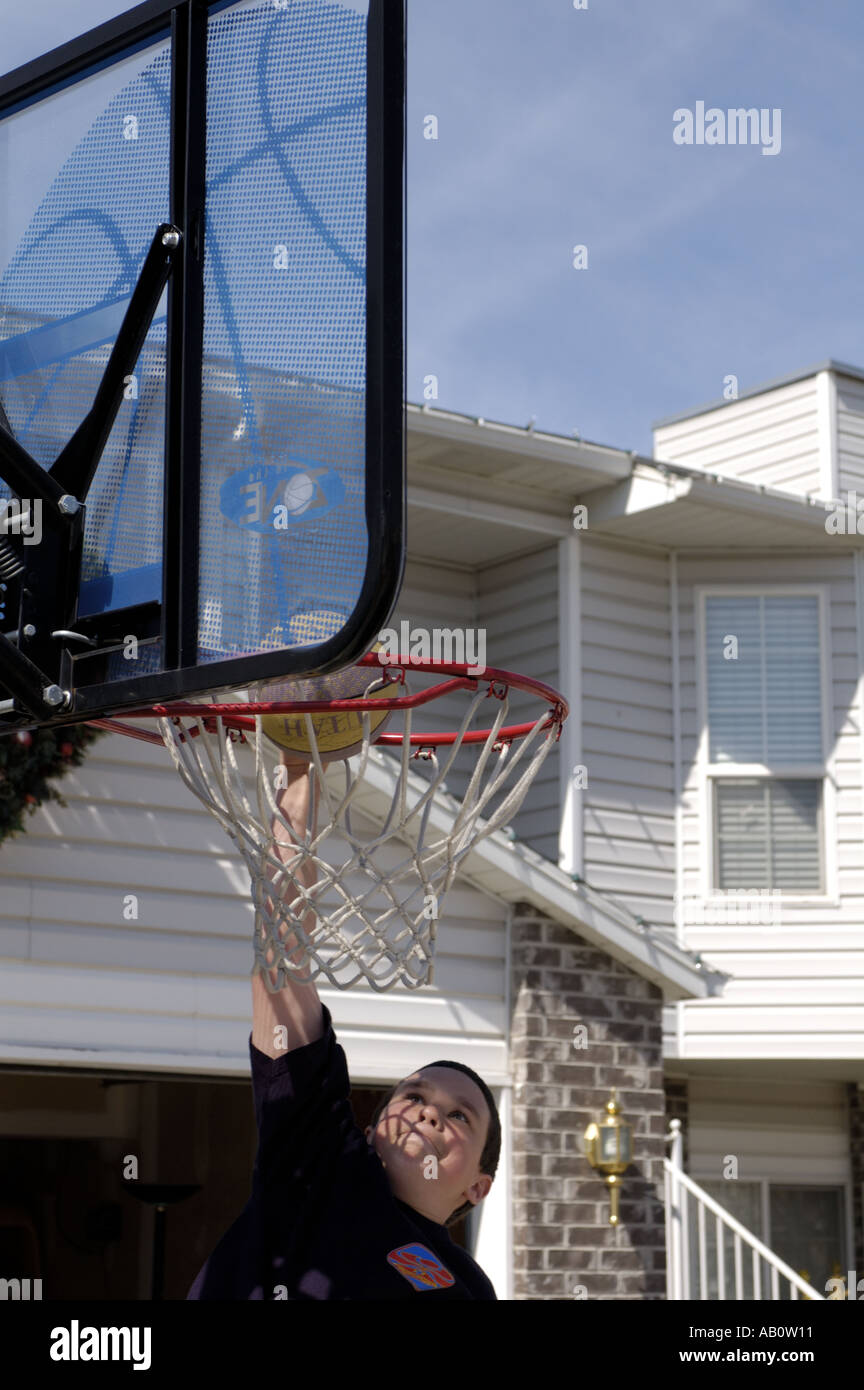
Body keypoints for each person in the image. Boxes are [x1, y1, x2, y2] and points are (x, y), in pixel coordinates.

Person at [187, 758, 500, 1299]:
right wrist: (300, 771)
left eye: (458, 1117)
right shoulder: (324, 1166)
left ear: (478, 1186)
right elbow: (282, 962)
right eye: (415, 1095)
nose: (428, 1112)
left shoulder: (470, 1287)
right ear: (370, 1130)